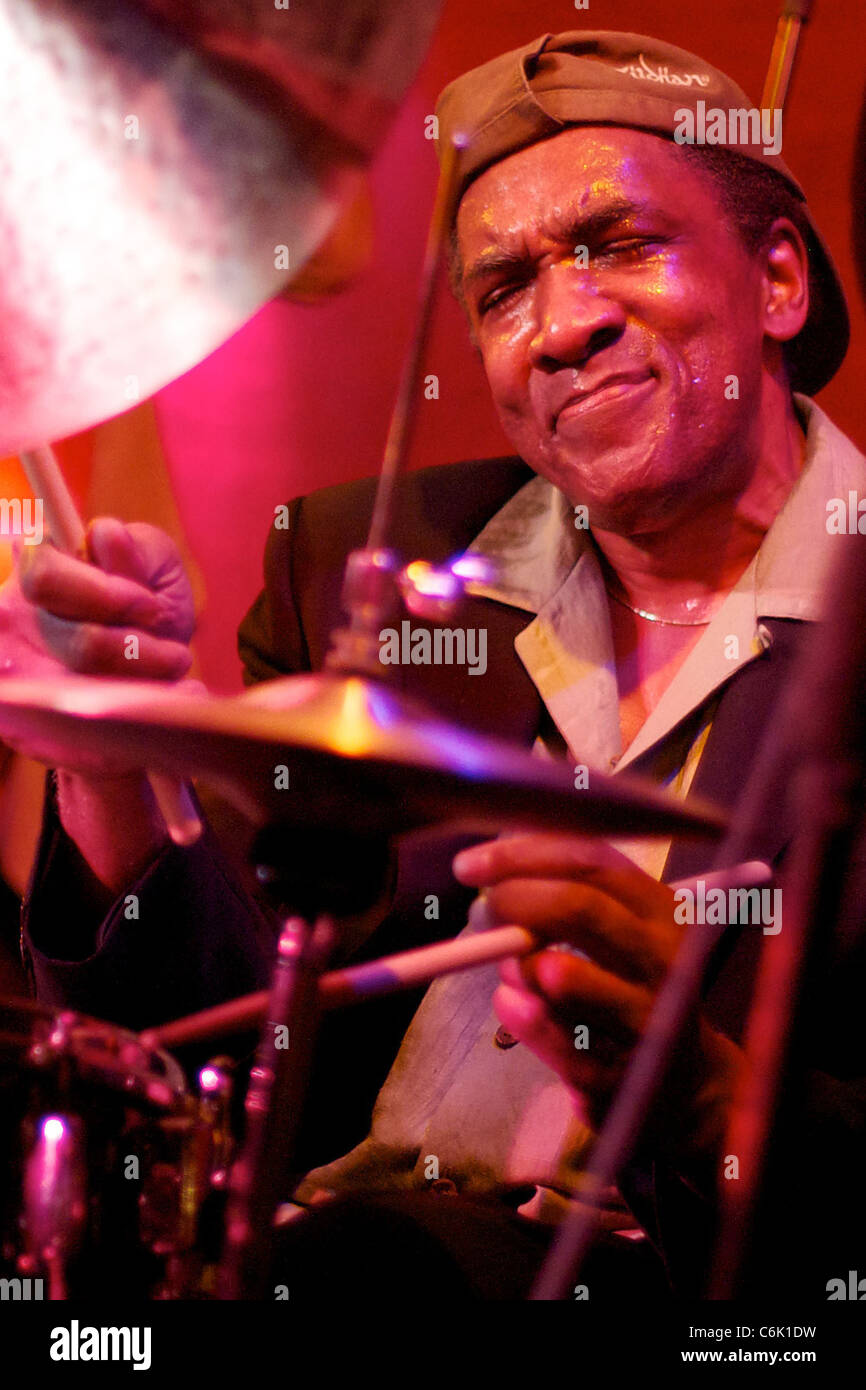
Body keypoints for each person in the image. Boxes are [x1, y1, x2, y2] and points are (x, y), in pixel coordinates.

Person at [3, 31, 865, 1298]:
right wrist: (112, 768)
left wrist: (699, 1096)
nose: (560, 326)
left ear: (777, 279)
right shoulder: (361, 566)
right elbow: (216, 1068)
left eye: (618, 244)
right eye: (502, 287)